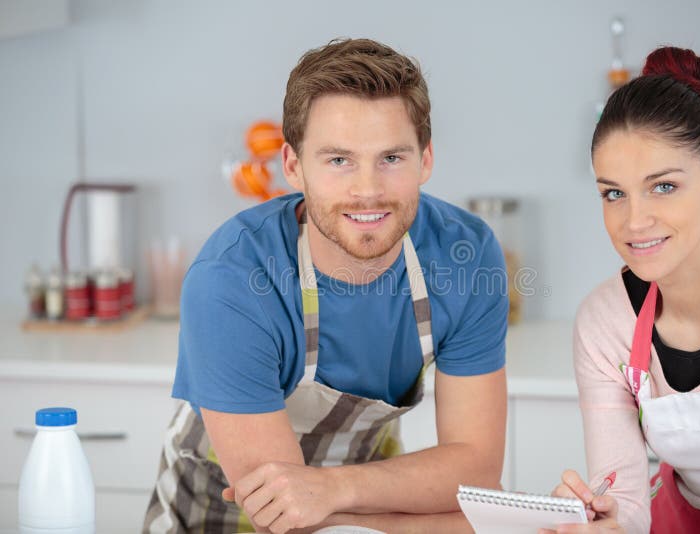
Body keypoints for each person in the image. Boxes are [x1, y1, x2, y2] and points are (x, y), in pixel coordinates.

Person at [143, 38, 508, 533]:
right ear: (293, 166)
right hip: (217, 516)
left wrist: (336, 489)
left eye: (391, 158)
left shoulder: (466, 256)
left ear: (425, 160)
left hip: (366, 507)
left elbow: (477, 470)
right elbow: (282, 515)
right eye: (338, 160)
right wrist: (458, 521)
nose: (368, 189)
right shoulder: (229, 282)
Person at [548, 47, 700, 533]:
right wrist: (606, 524)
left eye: (663, 186)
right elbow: (624, 495)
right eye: (613, 193)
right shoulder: (605, 322)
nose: (634, 221)